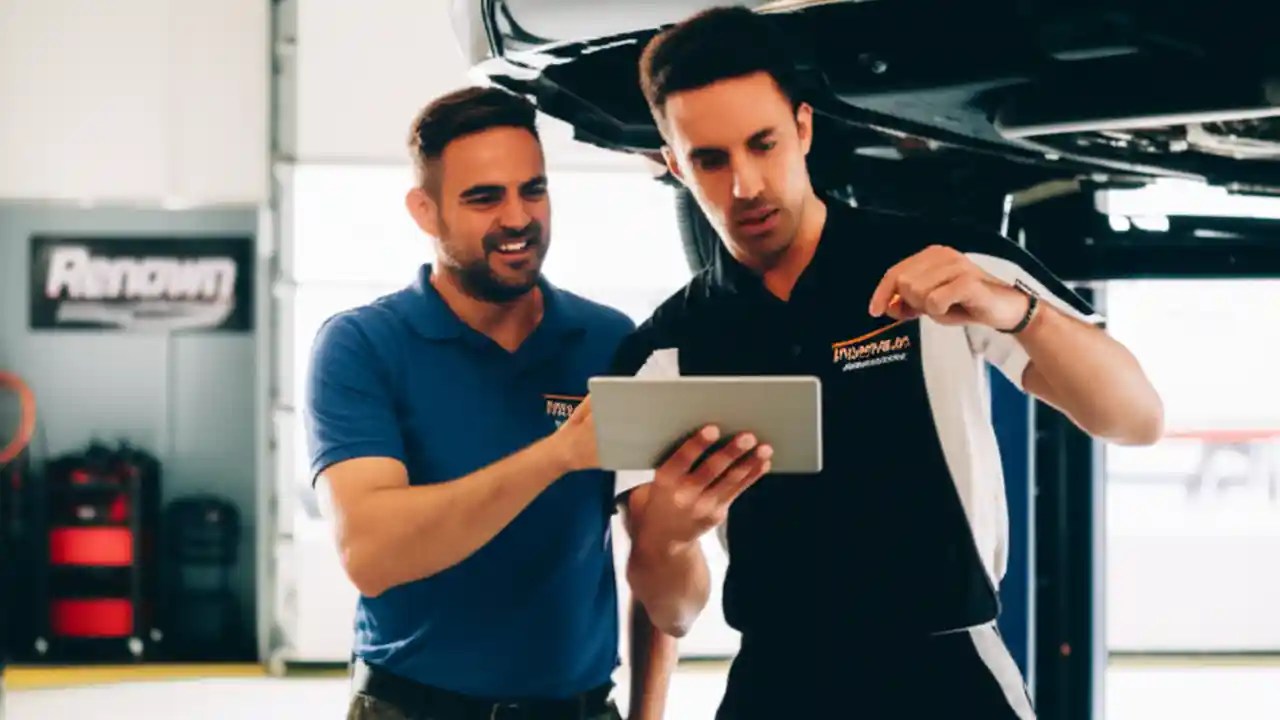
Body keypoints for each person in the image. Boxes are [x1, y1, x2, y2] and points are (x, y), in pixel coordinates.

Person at [611, 7, 1166, 719]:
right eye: (710, 159)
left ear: (804, 127)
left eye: (763, 143)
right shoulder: (662, 351)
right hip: (777, 683)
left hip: (949, 671)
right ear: (672, 162)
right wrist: (668, 537)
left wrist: (1019, 311)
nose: (744, 185)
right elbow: (676, 610)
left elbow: (1136, 419)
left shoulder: (943, 264)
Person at [304, 86, 693, 720]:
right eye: (484, 198)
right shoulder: (363, 346)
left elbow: (660, 579)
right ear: (424, 211)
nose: (517, 218)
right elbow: (371, 554)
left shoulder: (607, 340)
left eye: (532, 190)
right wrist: (558, 455)